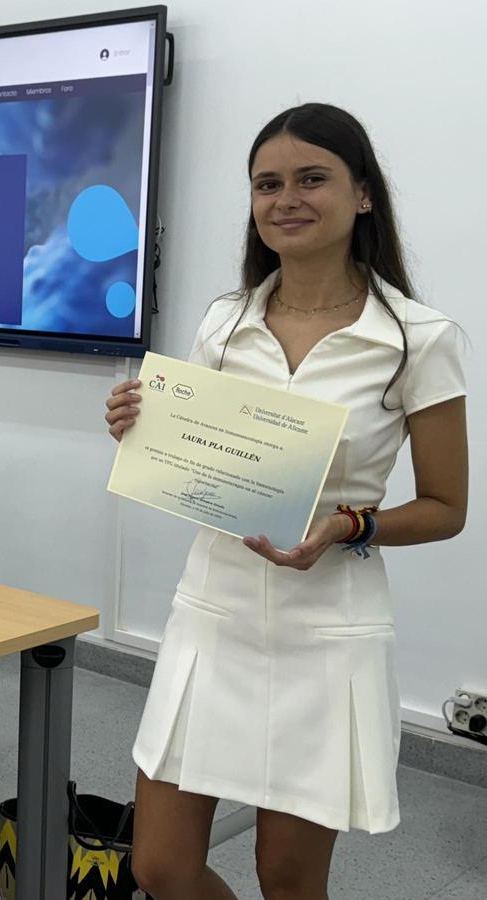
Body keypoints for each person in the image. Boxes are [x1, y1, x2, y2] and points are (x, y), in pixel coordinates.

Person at [105, 104, 467, 899]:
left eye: (312, 179)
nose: (286, 199)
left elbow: (446, 507)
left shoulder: (417, 336)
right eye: (267, 184)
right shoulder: (224, 323)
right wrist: (140, 430)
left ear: (363, 195)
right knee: (159, 866)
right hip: (215, 610)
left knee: (288, 880)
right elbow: (193, 460)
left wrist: (350, 524)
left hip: (327, 628)